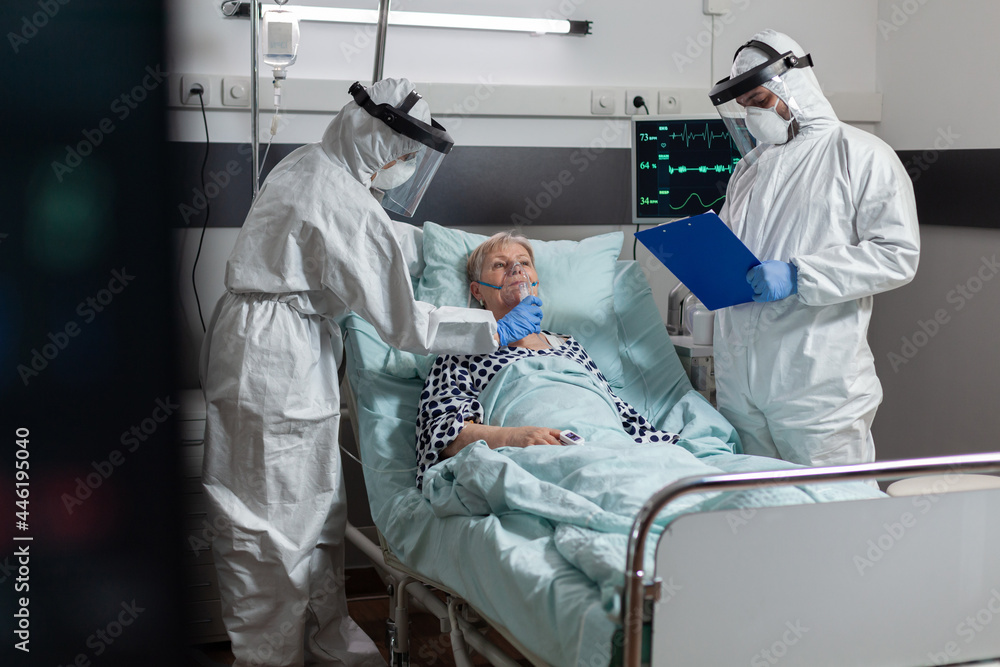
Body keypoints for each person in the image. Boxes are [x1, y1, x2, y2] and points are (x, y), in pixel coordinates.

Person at [199, 79, 543, 667]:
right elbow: (408, 326)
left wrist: (439, 243)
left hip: (276, 342)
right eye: (407, 154)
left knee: (318, 512)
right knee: (273, 529)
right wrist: (497, 328)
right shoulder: (341, 201)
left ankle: (331, 646)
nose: (407, 167)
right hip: (274, 361)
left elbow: (373, 239)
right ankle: (267, 657)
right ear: (378, 140)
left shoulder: (313, 162)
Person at [707, 30, 920, 467]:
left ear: (793, 85)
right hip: (742, 389)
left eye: (761, 101)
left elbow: (897, 255)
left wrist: (799, 275)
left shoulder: (860, 155)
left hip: (818, 389)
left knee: (834, 518)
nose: (752, 117)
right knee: (758, 515)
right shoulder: (749, 170)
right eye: (744, 107)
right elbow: (730, 249)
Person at [414, 232, 680, 488]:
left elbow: (615, 410)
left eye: (525, 263)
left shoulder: (570, 344)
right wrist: (513, 437)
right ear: (477, 291)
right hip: (538, 452)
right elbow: (442, 433)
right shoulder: (462, 348)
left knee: (669, 479)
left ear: (536, 279)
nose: (516, 270)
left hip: (610, 444)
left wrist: (660, 447)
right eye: (499, 264)